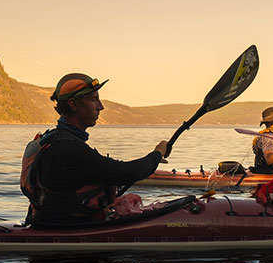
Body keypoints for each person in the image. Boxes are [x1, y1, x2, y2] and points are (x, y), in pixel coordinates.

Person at [21, 73, 170, 226]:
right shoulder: (69, 148)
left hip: (46, 222)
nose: (101, 106)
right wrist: (157, 154)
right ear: (73, 104)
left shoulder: (53, 139)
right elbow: (129, 172)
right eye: (94, 99)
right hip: (67, 228)